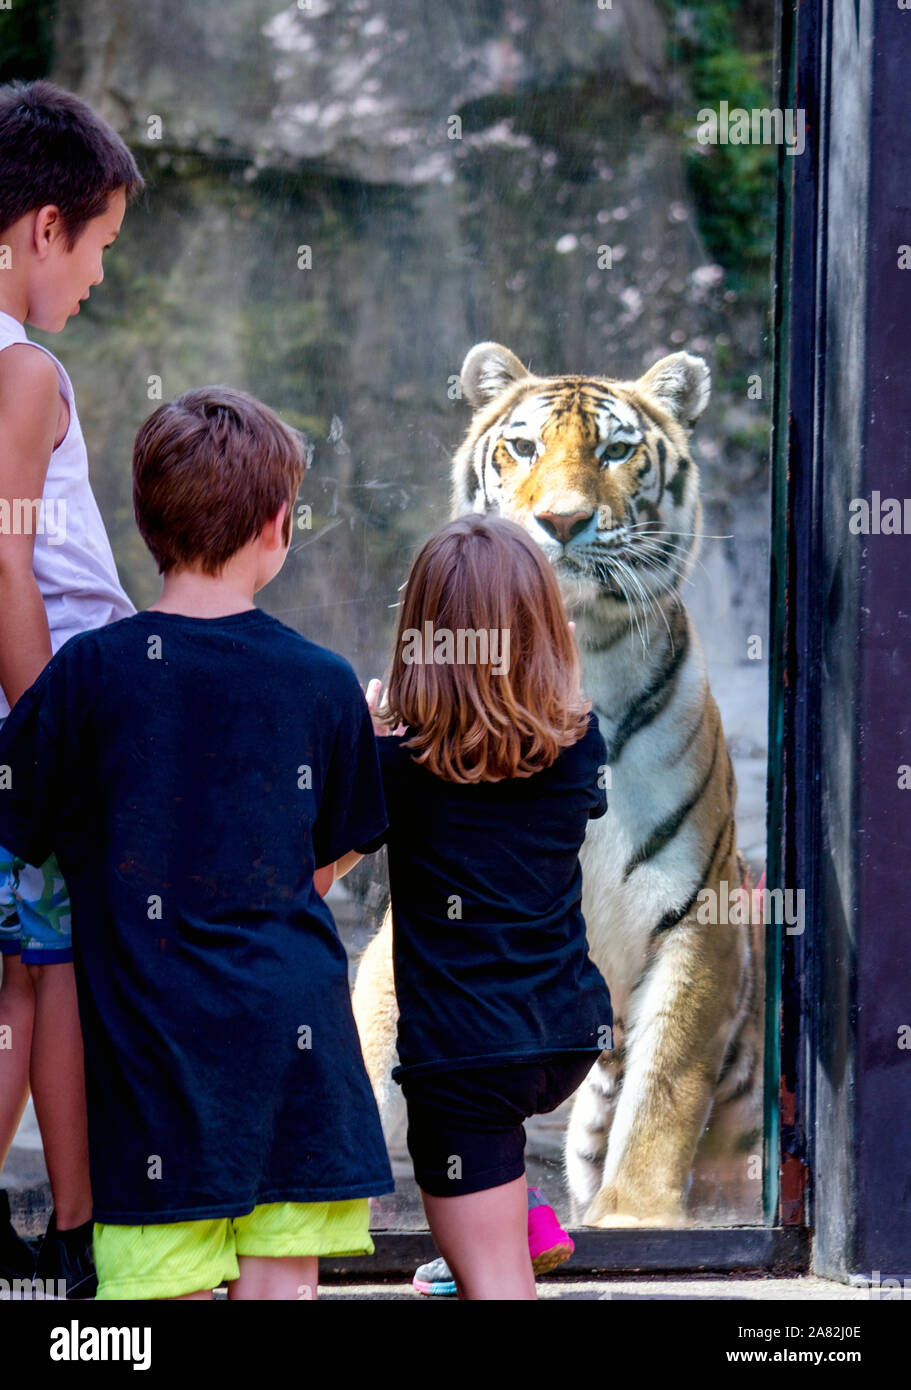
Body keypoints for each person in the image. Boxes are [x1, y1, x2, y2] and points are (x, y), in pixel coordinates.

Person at [0, 386, 394, 1299]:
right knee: (280, 1287)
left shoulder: (90, 672)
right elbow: (322, 864)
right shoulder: (324, 681)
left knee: (147, 1303)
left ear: (145, 524)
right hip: (297, 1060)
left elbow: (21, 814)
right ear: (278, 524)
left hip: (151, 1066)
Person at [326, 514, 614, 1299]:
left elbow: (317, 878)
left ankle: (488, 1239)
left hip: (465, 1061)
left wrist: (364, 745)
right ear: (543, 629)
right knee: (482, 1201)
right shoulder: (578, 744)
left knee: (495, 1287)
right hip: (566, 1030)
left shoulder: (395, 765)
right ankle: (508, 1216)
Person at [0, 78, 144, 1296]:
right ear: (44, 227)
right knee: (44, 968)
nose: (96, 275)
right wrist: (50, 729)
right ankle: (77, 1232)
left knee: (36, 966)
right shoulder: (24, 371)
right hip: (36, 717)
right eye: (96, 245)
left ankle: (71, 1227)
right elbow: (0, 546)